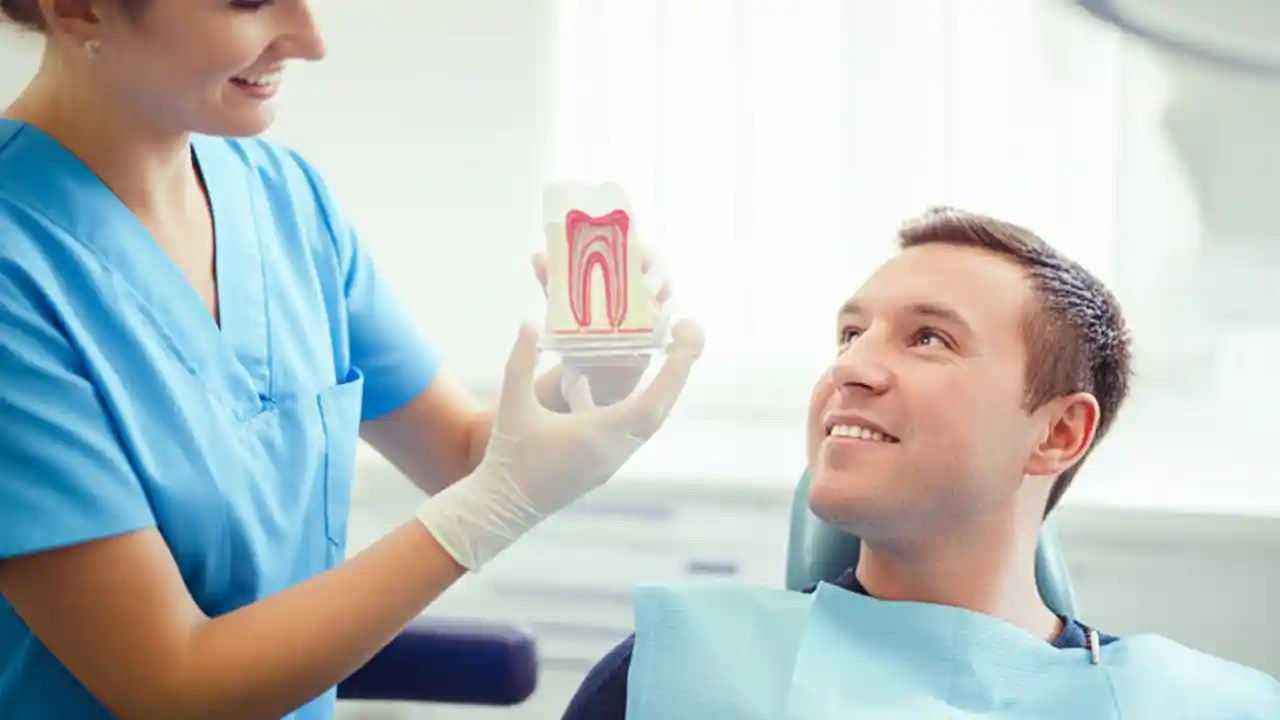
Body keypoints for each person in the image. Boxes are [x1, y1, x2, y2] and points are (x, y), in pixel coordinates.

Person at [0, 1, 703, 718]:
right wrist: (486, 512)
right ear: (81, 7)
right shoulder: (13, 266)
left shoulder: (284, 198)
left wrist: (593, 366)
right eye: (251, 2)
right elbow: (172, 684)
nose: (310, 42)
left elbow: (459, 449)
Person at [563, 207, 1280, 719]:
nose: (850, 367)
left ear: (1059, 432)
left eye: (929, 339)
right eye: (850, 333)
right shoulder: (669, 677)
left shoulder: (1208, 705)